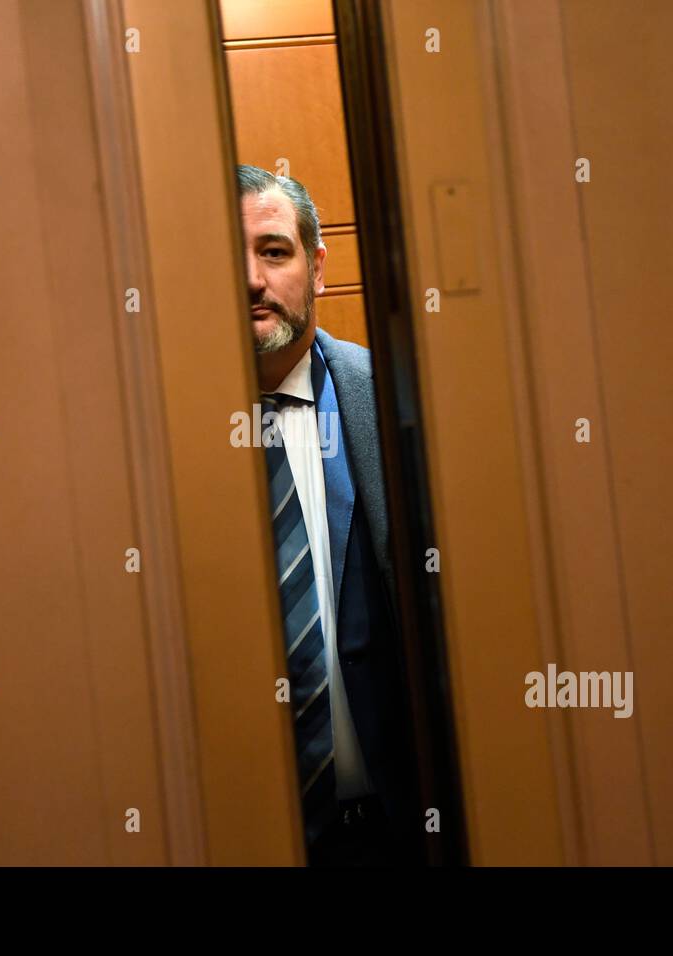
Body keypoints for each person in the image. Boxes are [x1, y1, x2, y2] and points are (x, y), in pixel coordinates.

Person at [237, 164, 422, 866]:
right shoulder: (165, 442)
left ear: (316, 267)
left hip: (397, 831)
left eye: (274, 251)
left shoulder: (394, 400)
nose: (252, 279)